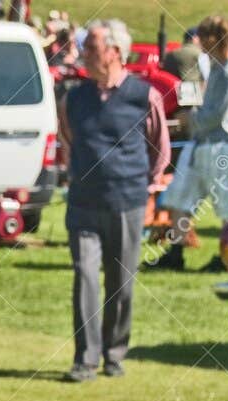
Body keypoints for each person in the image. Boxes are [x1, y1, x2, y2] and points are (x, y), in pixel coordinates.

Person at [57, 19, 171, 381]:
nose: (84, 54)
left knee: (121, 282)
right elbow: (67, 139)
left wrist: (146, 186)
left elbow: (161, 148)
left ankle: (114, 353)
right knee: (85, 276)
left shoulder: (144, 95)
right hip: (84, 203)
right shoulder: (74, 98)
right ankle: (86, 358)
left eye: (91, 48)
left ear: (115, 53)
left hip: (127, 201)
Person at [151, 15, 228, 272]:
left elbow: (218, 113)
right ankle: (175, 252)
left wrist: (190, 118)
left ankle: (227, 258)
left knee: (225, 205)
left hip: (221, 146)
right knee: (180, 197)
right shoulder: (218, 67)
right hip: (202, 144)